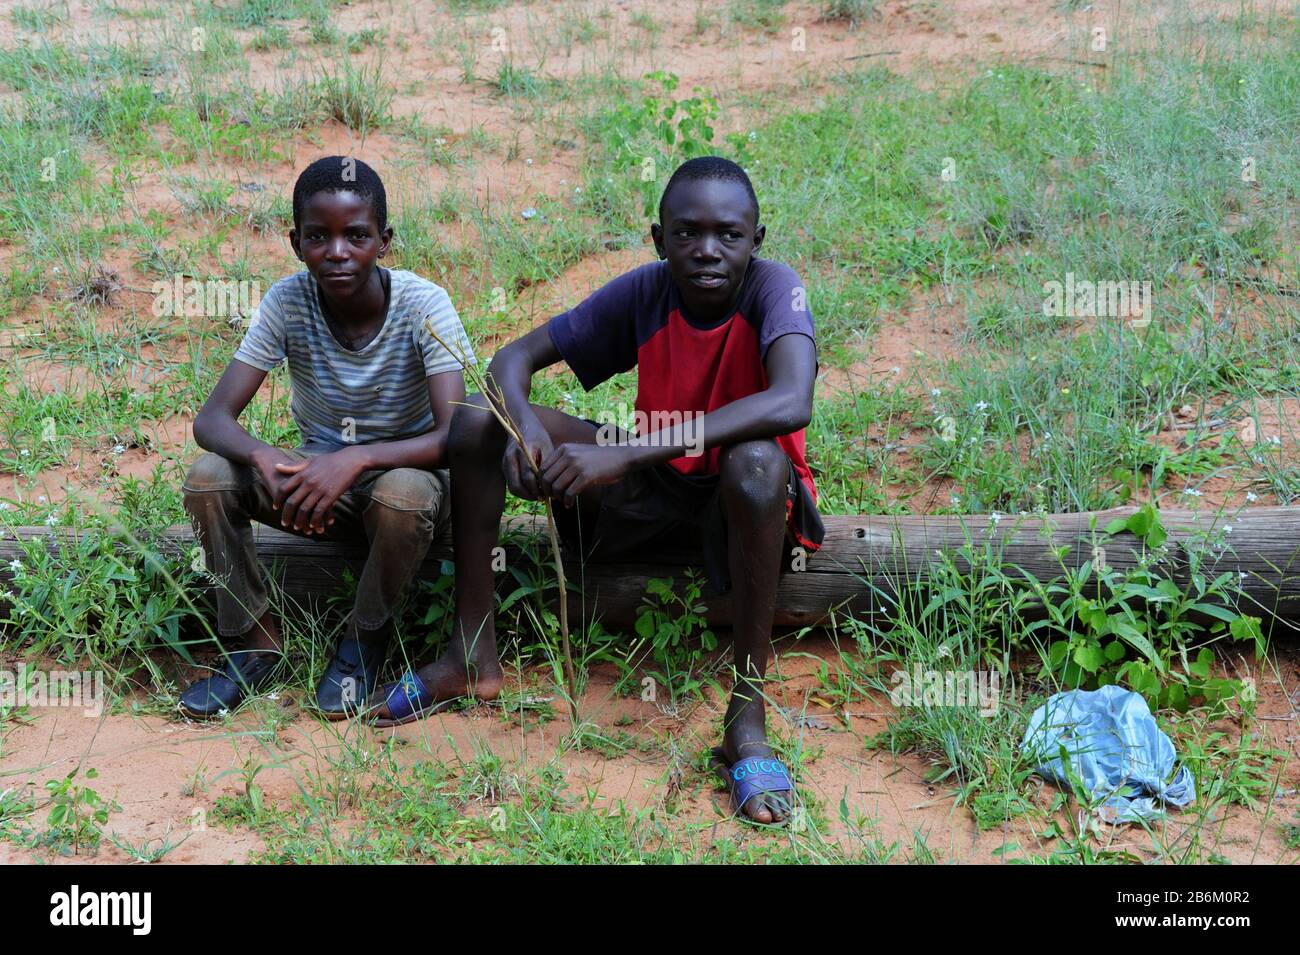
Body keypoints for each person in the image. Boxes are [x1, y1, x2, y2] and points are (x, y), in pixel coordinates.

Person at [370, 156, 823, 825]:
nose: (706, 250)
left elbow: (791, 400)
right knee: (475, 422)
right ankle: (472, 654)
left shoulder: (774, 291)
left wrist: (628, 450)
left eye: (728, 234)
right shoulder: (646, 291)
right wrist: (526, 434)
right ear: (658, 237)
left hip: (744, 509)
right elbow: (510, 362)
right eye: (686, 232)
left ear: (757, 240)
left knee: (756, 463)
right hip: (657, 488)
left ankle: (747, 715)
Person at [179, 156, 473, 719]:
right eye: (319, 236)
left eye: (356, 235)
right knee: (209, 478)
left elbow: (455, 435)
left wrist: (358, 459)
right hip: (318, 481)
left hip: (409, 484)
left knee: (403, 494)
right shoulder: (287, 301)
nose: (337, 252)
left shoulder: (423, 304)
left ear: (384, 241)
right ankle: (253, 641)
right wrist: (264, 457)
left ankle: (364, 639)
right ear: (296, 243)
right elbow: (212, 420)